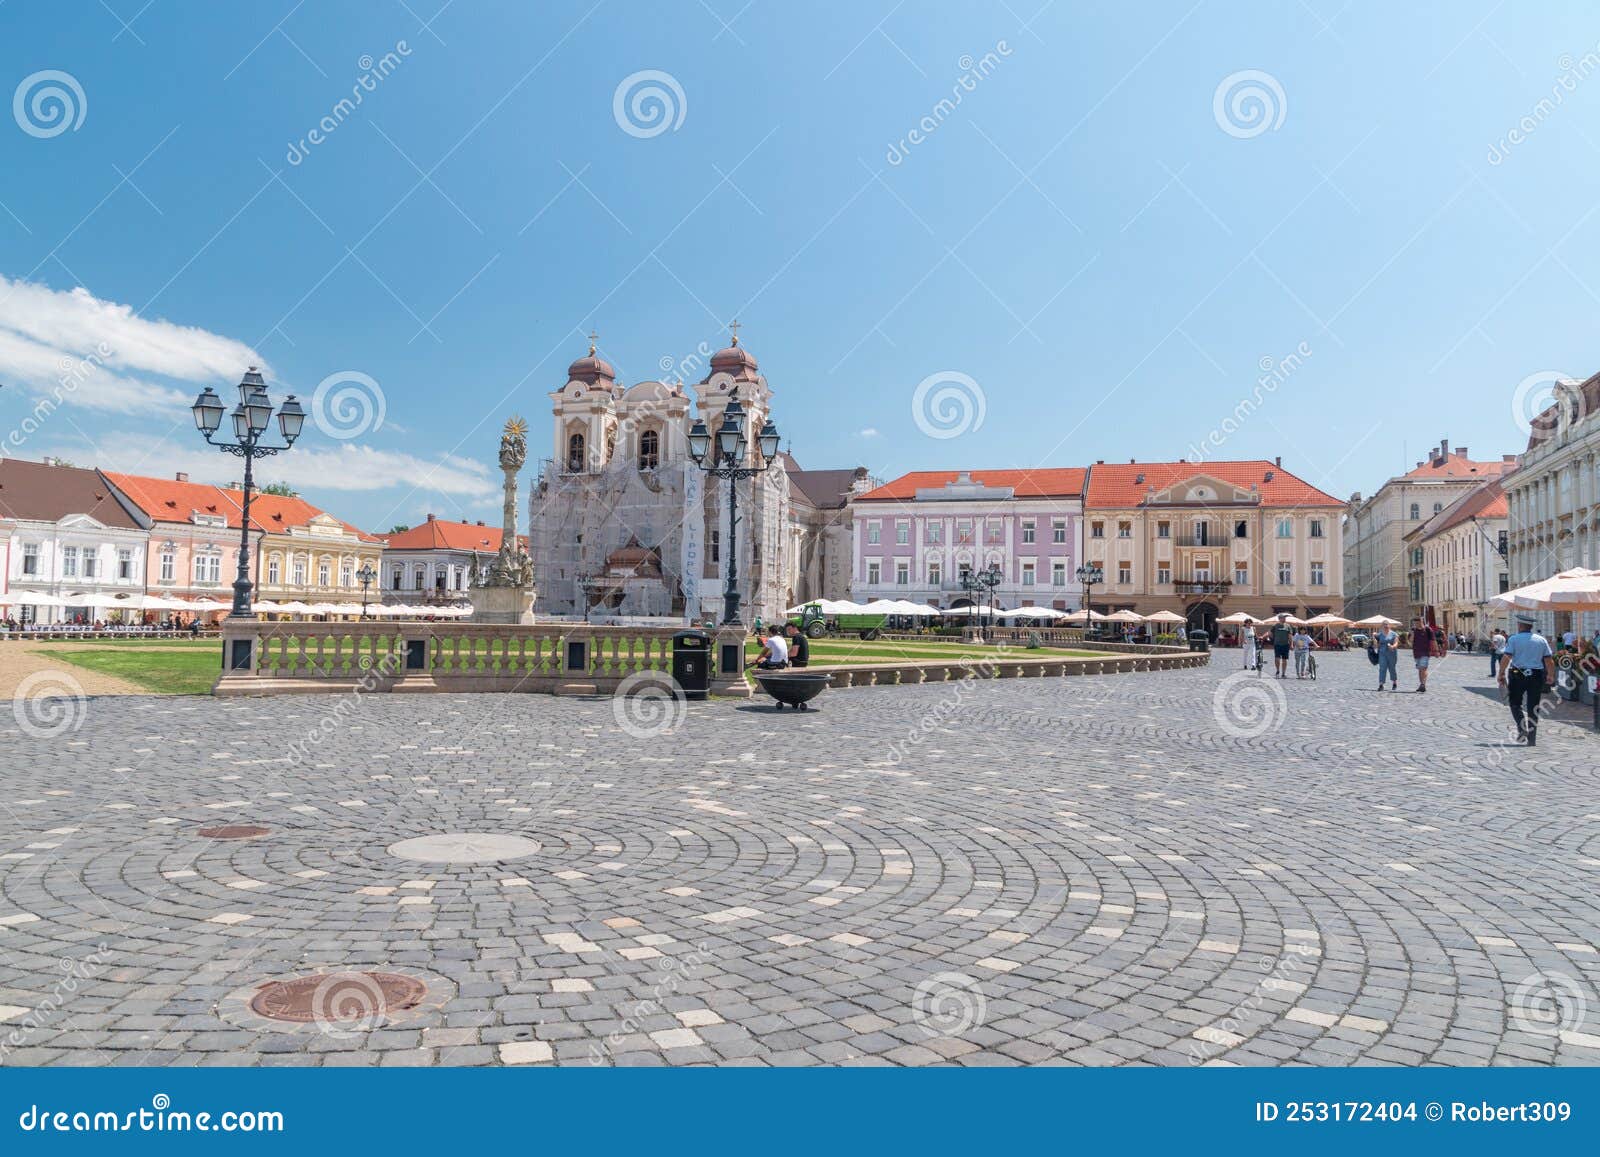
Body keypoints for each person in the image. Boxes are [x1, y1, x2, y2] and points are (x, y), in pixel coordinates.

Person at [1498, 615, 1556, 745]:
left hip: (1518, 674)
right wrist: (1551, 675)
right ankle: (1532, 739)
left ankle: (1521, 727)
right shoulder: (1541, 640)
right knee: (1533, 706)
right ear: (1530, 627)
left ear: (1520, 625)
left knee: (1515, 703)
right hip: (1536, 675)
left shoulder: (1514, 639)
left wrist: (1501, 673)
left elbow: (1507, 657)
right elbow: (1548, 660)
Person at [1410, 616, 1435, 693]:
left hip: (1426, 652)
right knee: (1420, 669)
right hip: (1416, 652)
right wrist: (1412, 634)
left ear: (1422, 621)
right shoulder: (1413, 630)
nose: (1417, 623)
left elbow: (1433, 640)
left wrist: (1436, 651)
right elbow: (1411, 641)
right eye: (1415, 622)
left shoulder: (1428, 630)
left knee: (1423, 668)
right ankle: (1421, 684)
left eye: (1418, 622)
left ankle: (1423, 684)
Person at [1375, 622, 1399, 690]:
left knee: (1392, 668)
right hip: (1382, 654)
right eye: (1384, 625)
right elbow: (1377, 645)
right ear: (1382, 627)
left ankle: (1394, 682)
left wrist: (1393, 646)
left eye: (1387, 625)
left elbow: (1396, 642)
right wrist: (1374, 639)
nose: (1386, 627)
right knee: (1382, 668)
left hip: (1392, 653)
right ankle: (1381, 684)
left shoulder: (1393, 634)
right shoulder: (1379, 635)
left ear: (1389, 626)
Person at [1268, 614, 1293, 678]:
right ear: (1279, 619)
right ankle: (1278, 670)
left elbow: (1290, 636)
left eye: (1285, 618)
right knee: (1277, 658)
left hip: (1285, 645)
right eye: (1283, 618)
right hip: (1277, 644)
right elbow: (1270, 633)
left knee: (1285, 659)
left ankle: (1283, 673)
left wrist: (1291, 644)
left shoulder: (1288, 626)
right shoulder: (1275, 625)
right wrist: (1273, 639)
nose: (1284, 619)